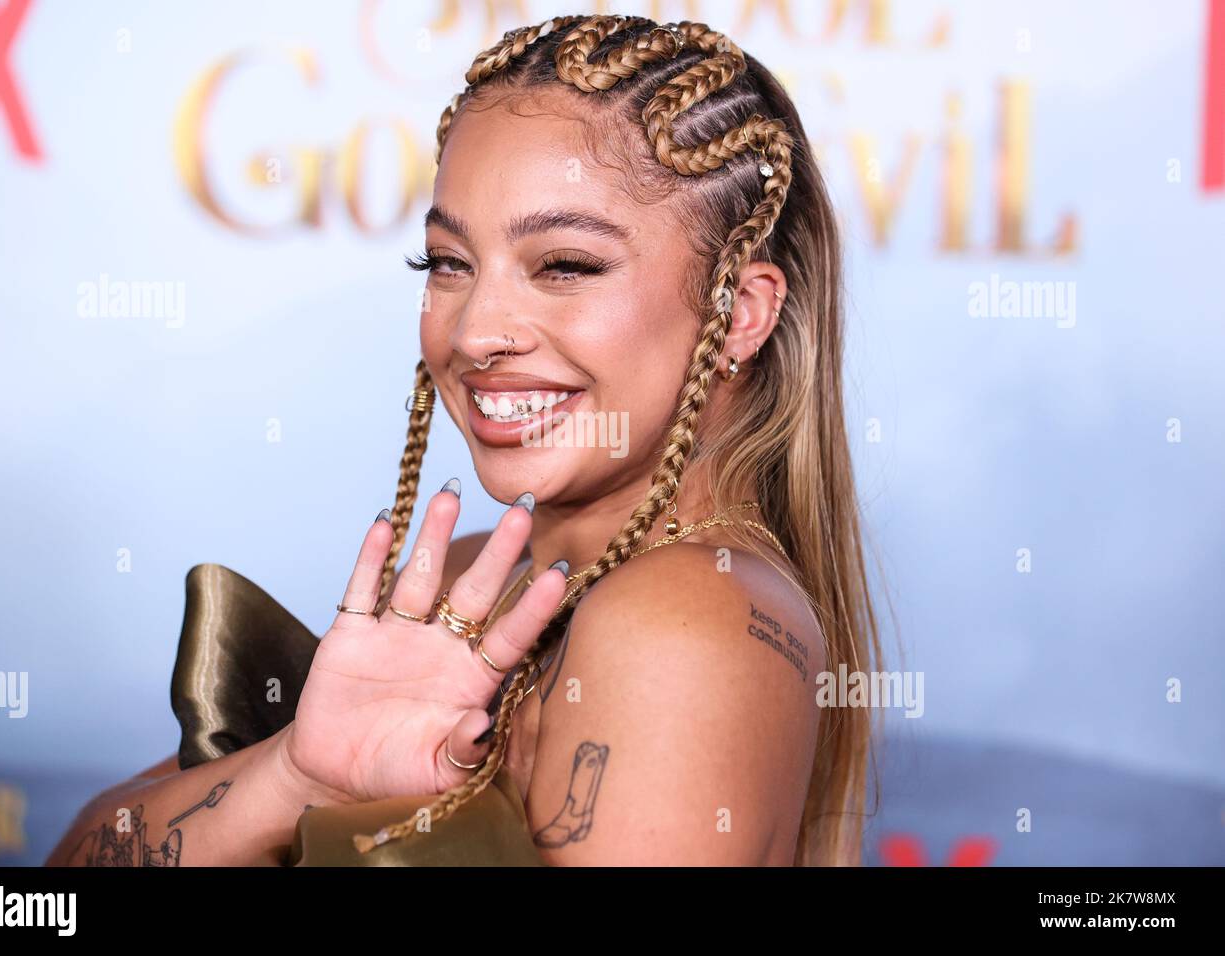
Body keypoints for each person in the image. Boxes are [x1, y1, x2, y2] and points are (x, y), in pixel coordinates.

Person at [46, 13, 881, 868]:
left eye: (565, 265)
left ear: (739, 312)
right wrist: (297, 776)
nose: (475, 331)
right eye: (447, 263)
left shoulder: (681, 615)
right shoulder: (468, 584)